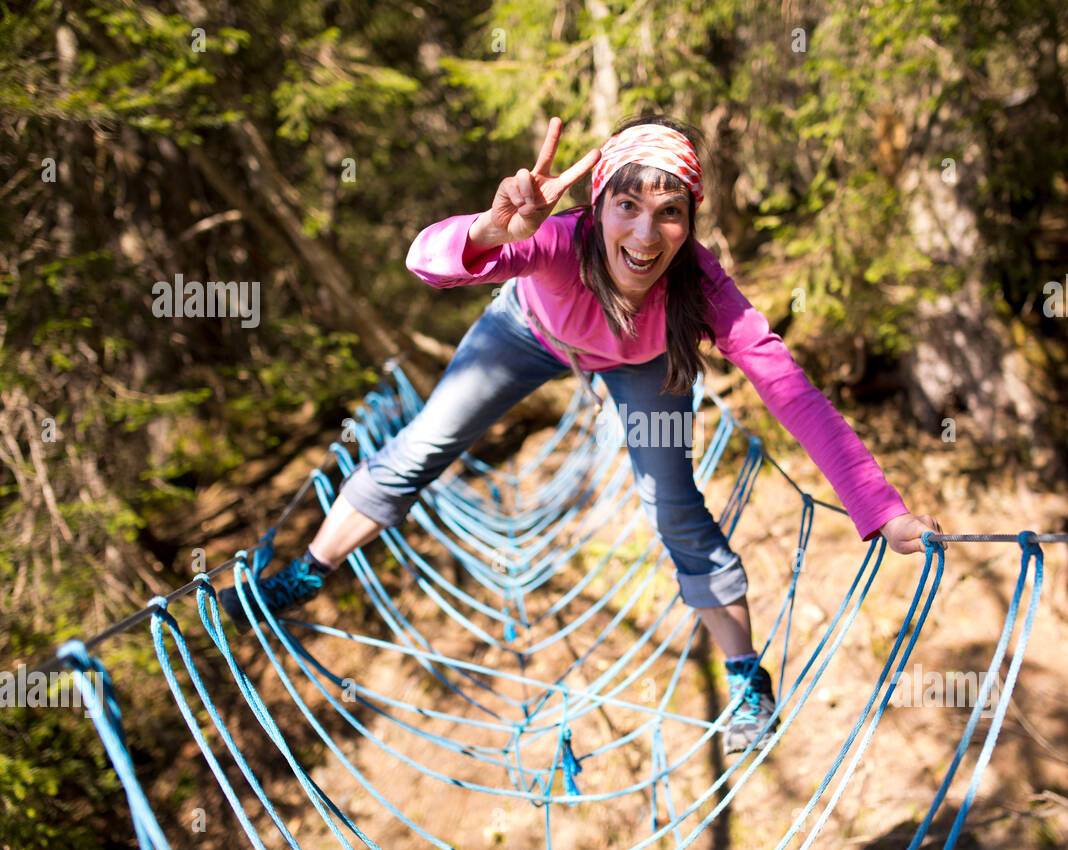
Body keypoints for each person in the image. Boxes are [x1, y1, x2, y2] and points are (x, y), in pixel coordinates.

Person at [219, 114, 946, 754]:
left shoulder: (702, 282)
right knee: (422, 446)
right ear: (597, 207)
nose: (644, 231)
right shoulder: (557, 242)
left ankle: (747, 678)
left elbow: (788, 388)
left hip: (646, 361)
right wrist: (488, 230)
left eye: (669, 212)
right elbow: (427, 261)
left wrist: (878, 507)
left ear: (690, 222)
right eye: (626, 205)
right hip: (526, 333)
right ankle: (309, 571)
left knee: (673, 505)